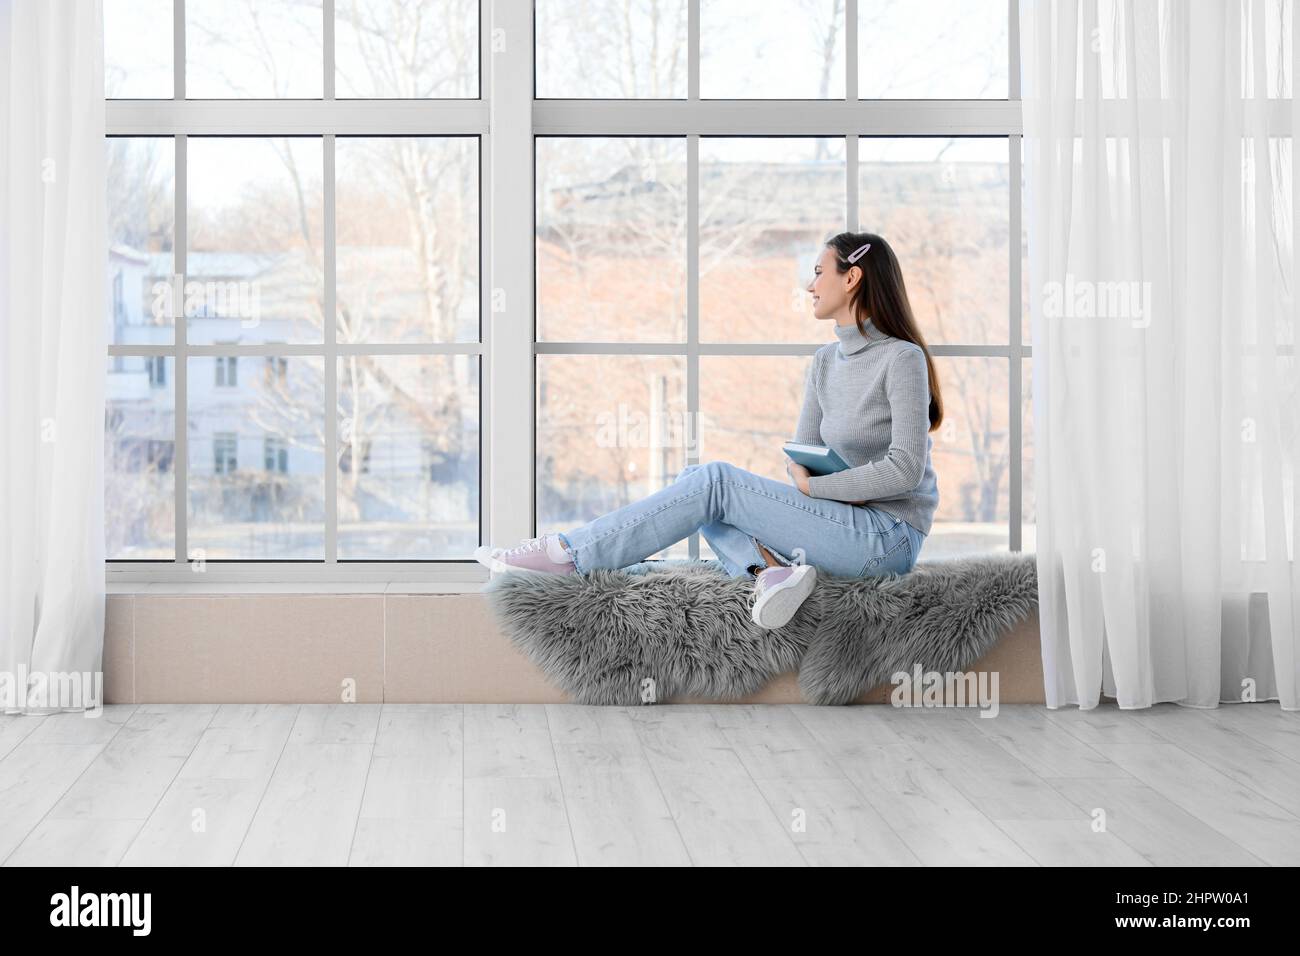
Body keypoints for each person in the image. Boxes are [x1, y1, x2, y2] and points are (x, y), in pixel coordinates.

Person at [476, 231, 943, 630]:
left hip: (887, 539)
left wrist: (825, 485)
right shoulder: (825, 361)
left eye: (819, 272)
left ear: (852, 276)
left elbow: (904, 469)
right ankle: (767, 572)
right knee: (697, 490)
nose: (809, 285)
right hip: (841, 522)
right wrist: (815, 480)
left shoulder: (901, 359)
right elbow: (803, 452)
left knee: (712, 483)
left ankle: (567, 555)